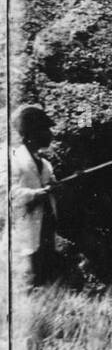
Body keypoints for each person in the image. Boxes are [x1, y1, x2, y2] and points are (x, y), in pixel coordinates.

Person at [10, 103, 58, 280]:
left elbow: (51, 188)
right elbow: (10, 195)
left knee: (44, 282)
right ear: (30, 134)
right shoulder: (13, 160)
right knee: (25, 282)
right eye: (45, 130)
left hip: (45, 232)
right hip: (23, 235)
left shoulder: (45, 165)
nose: (50, 134)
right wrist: (39, 194)